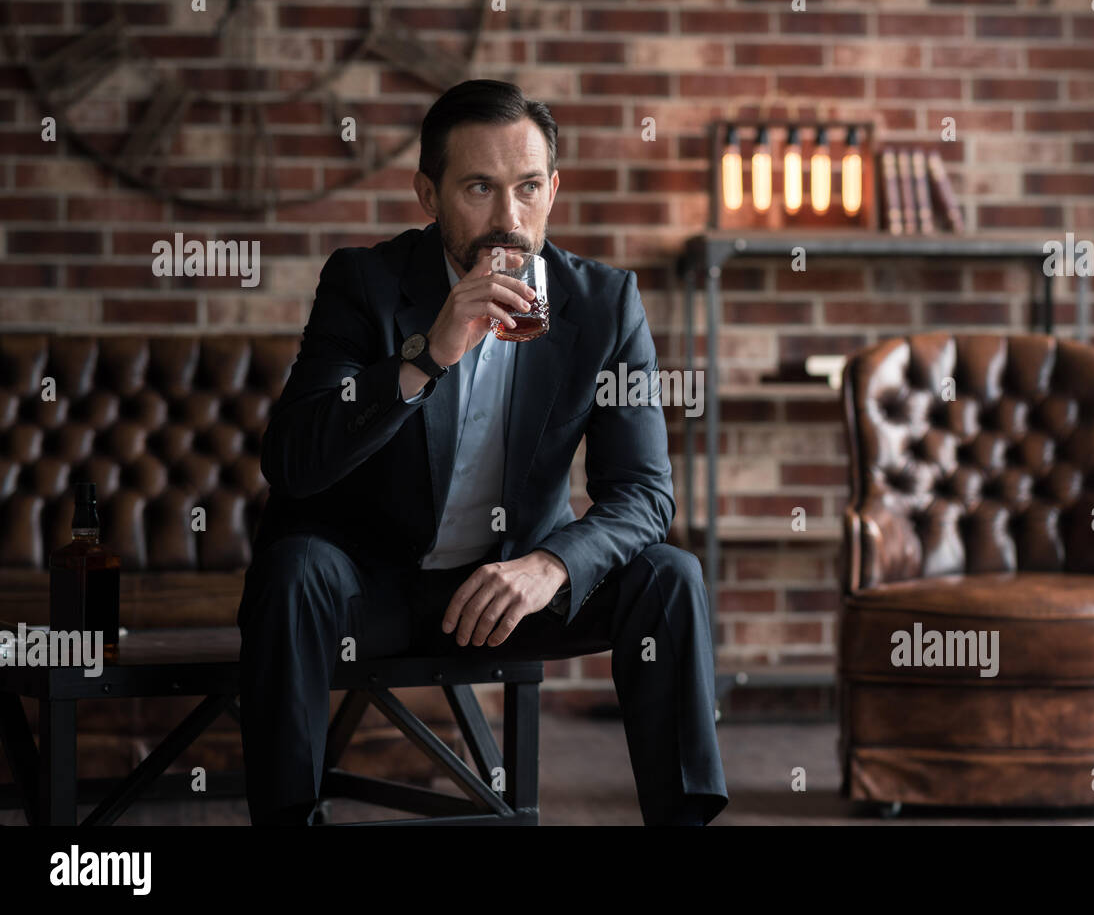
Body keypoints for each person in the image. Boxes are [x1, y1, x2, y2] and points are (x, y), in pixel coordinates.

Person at [237, 78, 728, 826]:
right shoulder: (363, 283)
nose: (509, 218)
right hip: (374, 590)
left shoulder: (603, 304)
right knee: (294, 568)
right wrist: (425, 356)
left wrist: (551, 564)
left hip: (511, 591)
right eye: (479, 188)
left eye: (529, 187)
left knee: (672, 577)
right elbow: (293, 461)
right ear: (428, 195)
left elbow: (643, 495)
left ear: (554, 189)